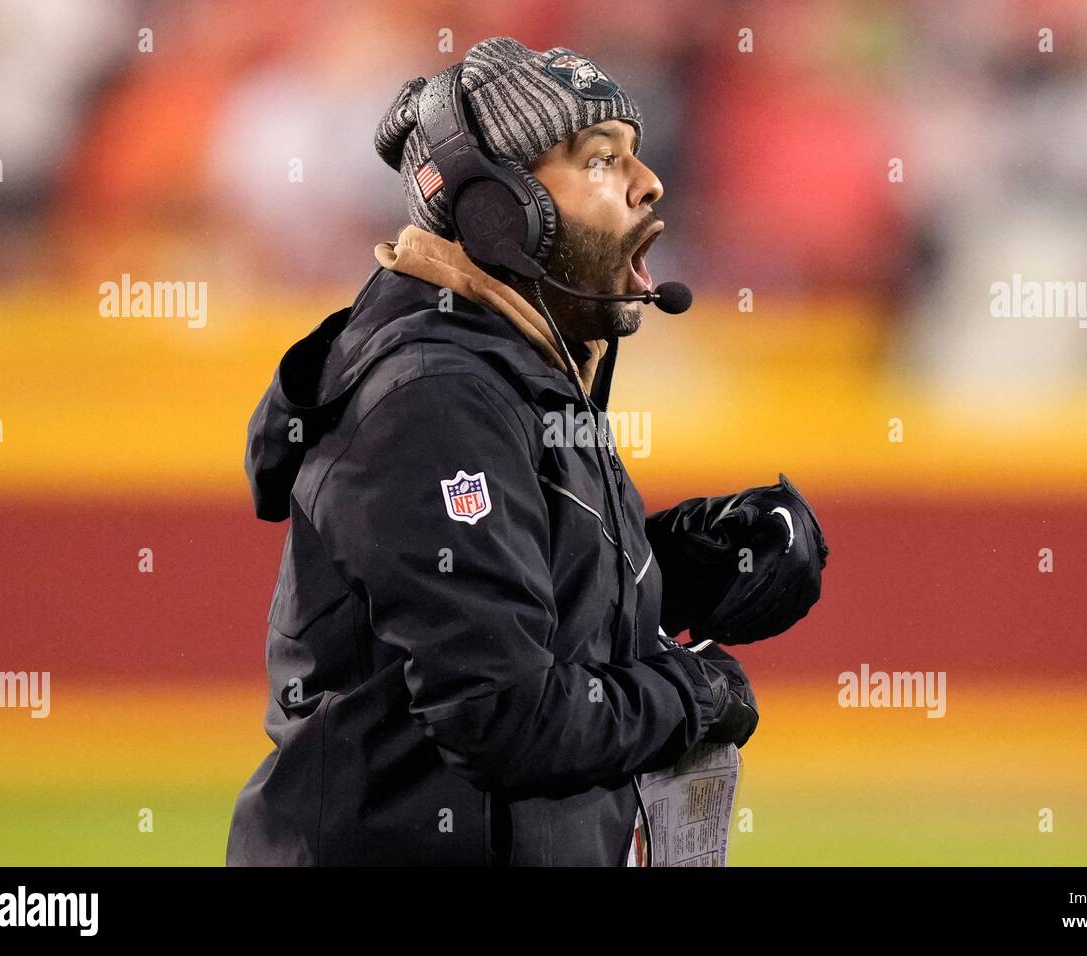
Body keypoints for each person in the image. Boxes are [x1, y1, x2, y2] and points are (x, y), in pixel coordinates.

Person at [226, 36, 828, 867]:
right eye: (599, 160)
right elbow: (506, 716)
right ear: (498, 214)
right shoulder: (434, 398)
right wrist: (697, 693)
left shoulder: (512, 364)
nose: (648, 182)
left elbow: (508, 604)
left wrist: (678, 566)